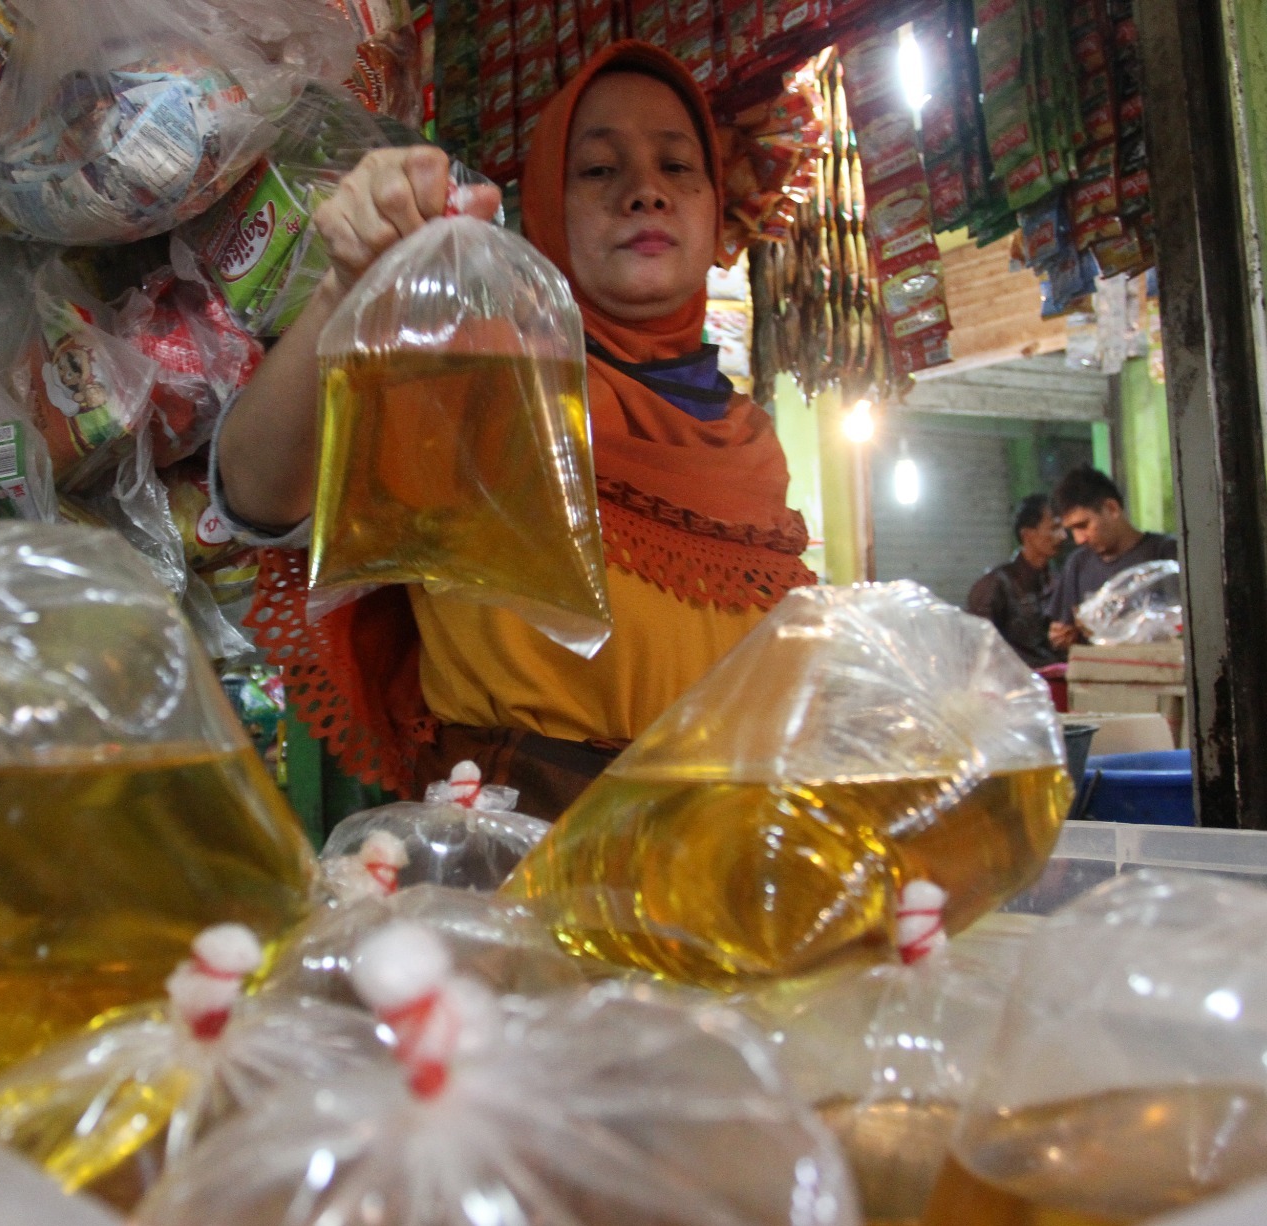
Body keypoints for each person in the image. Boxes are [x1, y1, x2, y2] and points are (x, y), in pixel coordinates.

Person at [211, 42, 815, 819]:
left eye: (677, 167)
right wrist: (347, 287)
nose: (645, 193)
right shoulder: (486, 370)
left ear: (714, 205)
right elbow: (257, 494)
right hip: (517, 870)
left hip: (726, 871)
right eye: (598, 169)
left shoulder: (750, 440)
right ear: (544, 205)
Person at [1047, 465, 1179, 650]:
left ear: (1112, 508)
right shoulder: (1077, 565)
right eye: (1072, 530)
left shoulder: (1166, 554)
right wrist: (1063, 636)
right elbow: (1064, 630)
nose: (1078, 539)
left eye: (1083, 525)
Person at [967, 493, 1066, 668]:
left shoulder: (1058, 582)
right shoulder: (994, 586)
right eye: (1054, 528)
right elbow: (978, 647)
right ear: (1027, 535)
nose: (1063, 536)